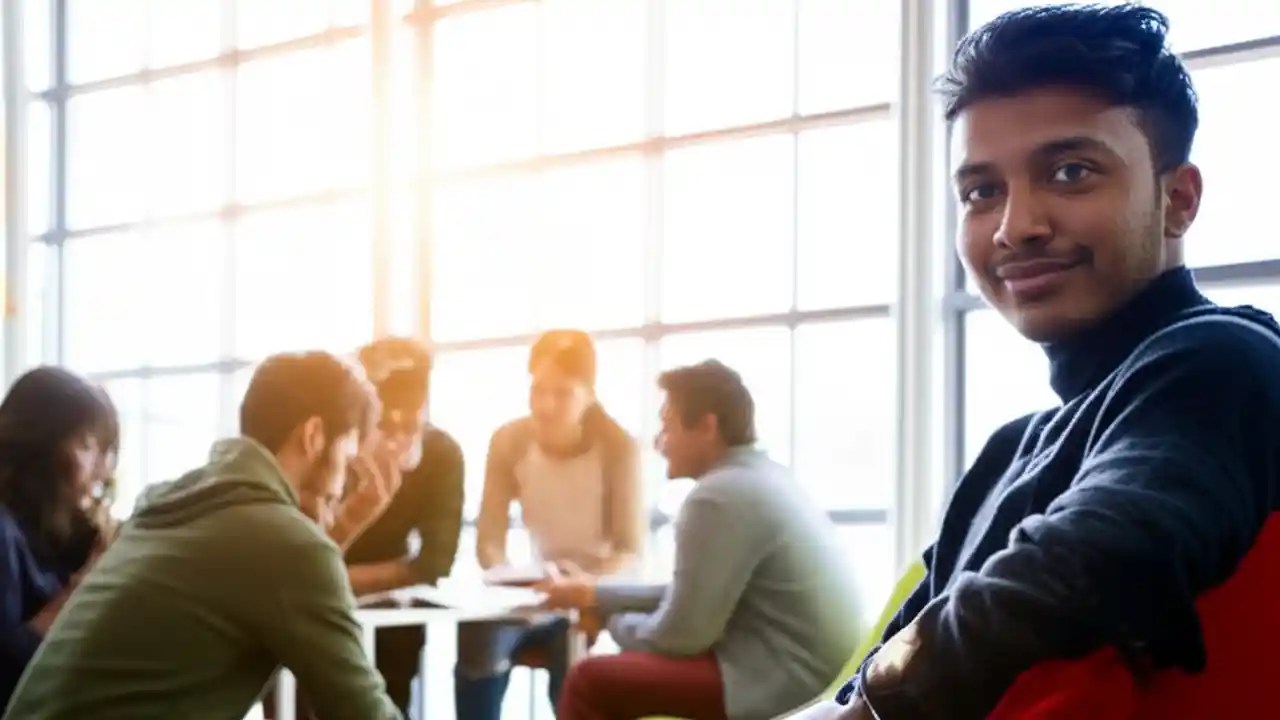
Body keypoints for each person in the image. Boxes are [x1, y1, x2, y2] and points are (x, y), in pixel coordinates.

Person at [803, 5, 1280, 719]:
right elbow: (876, 664)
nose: (1015, 227)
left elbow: (1105, 557)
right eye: (981, 191)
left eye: (1070, 172)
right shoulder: (1011, 450)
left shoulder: (1221, 360)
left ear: (1178, 200)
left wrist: (868, 706)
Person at [4, 352, 404, 720]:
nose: (342, 485)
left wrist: (336, 532)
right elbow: (363, 712)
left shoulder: (167, 507)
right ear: (313, 436)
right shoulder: (285, 545)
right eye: (348, 458)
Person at [544, 360, 860, 720]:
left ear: (707, 427)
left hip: (783, 682)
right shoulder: (759, 478)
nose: (659, 443)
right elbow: (690, 595)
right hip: (813, 672)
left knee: (589, 680)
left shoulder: (719, 497)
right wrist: (595, 595)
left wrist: (610, 623)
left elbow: (681, 636)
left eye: (667, 426)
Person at [458, 329, 643, 720]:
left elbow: (630, 550)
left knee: (572, 654)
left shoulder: (618, 447)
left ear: (589, 395)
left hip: (590, 592)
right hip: (533, 591)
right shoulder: (509, 441)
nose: (545, 405)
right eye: (538, 390)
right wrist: (506, 577)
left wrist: (586, 586)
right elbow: (488, 540)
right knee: (478, 636)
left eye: (562, 393)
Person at [346, 337, 464, 713]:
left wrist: (341, 579)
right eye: (386, 426)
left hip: (385, 600)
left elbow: (435, 563)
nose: (397, 441)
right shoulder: (335, 449)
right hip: (326, 584)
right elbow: (303, 558)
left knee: (393, 660)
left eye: (409, 426)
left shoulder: (440, 454)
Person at [0, 367, 118, 708]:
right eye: (87, 445)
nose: (102, 471)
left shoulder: (59, 535)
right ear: (40, 445)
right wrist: (81, 590)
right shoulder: (4, 533)